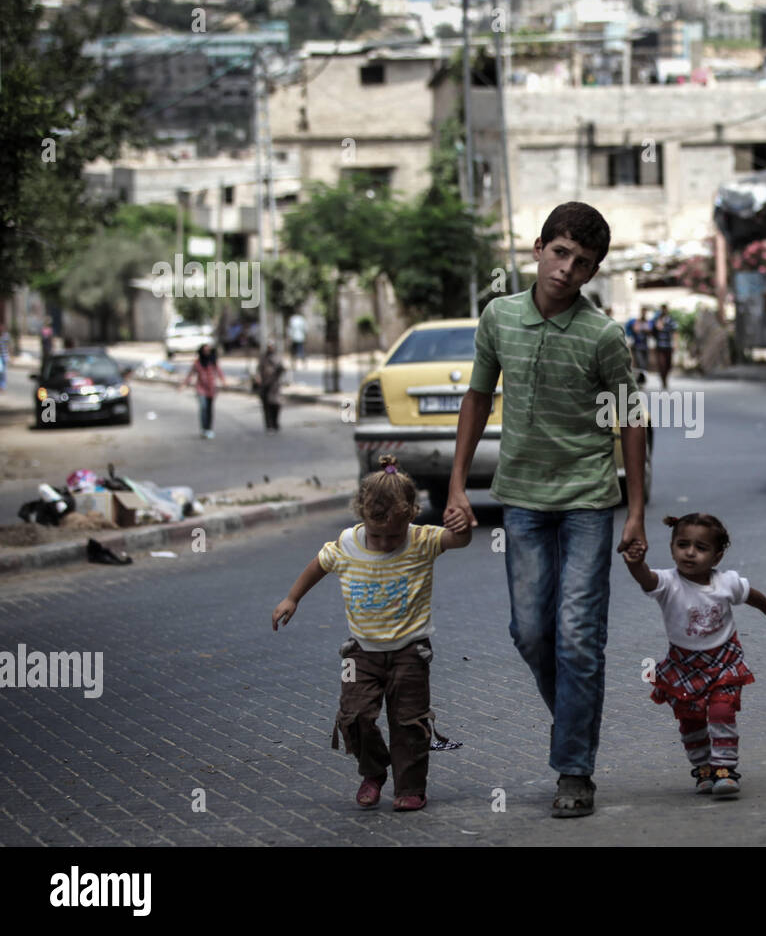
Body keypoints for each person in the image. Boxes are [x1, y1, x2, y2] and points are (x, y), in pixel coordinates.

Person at [444, 201, 647, 819]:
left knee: (579, 637)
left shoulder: (604, 336)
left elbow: (631, 421)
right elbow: (477, 399)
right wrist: (456, 485)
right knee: (531, 632)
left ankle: (574, 771)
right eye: (560, 253)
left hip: (588, 500)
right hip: (523, 500)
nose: (566, 270)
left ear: (593, 273)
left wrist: (635, 509)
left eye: (582, 263)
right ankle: (577, 726)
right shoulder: (499, 318)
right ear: (538, 248)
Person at [271, 454, 472, 812]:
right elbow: (320, 563)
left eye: (393, 534)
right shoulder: (347, 543)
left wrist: (463, 523)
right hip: (360, 652)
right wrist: (292, 597)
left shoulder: (421, 540)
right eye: (376, 534)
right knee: (354, 716)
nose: (383, 542)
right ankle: (374, 771)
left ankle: (410, 788)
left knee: (409, 722)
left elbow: (459, 541)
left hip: (411, 650)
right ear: (362, 515)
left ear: (411, 514)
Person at [622, 513, 766, 797]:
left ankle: (725, 769)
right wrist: (635, 563)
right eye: (683, 545)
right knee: (690, 720)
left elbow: (752, 596)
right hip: (684, 664)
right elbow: (645, 578)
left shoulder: (726, 583)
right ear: (672, 547)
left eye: (701, 547)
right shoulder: (667, 583)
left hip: (724, 661)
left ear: (717, 557)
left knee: (722, 710)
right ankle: (703, 769)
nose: (690, 553)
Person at [180, 343, 227, 439]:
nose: (207, 352)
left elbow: (219, 372)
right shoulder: (197, 363)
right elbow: (190, 374)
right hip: (201, 388)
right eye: (205, 351)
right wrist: (184, 385)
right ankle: (203, 428)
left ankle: (209, 428)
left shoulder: (212, 361)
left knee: (209, 409)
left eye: (208, 351)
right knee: (203, 407)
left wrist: (224, 382)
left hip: (211, 389)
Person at [255, 340, 287, 433]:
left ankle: (275, 423)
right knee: (266, 406)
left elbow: (282, 369)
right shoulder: (263, 358)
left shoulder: (277, 358)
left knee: (276, 405)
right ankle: (269, 425)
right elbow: (258, 370)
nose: (270, 348)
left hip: (275, 386)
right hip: (265, 385)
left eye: (272, 346)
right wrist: (258, 378)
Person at [653, 303, 677, 389]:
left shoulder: (671, 320)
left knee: (668, 364)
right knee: (661, 364)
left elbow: (675, 331)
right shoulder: (657, 319)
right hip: (660, 345)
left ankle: (665, 378)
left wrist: (675, 343)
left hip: (668, 345)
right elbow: (654, 329)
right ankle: (663, 381)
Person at [0, 321, 10, 392]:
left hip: (5, 356)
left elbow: (9, 346)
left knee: (3, 372)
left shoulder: (6, 336)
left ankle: (2, 386)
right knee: (1, 371)